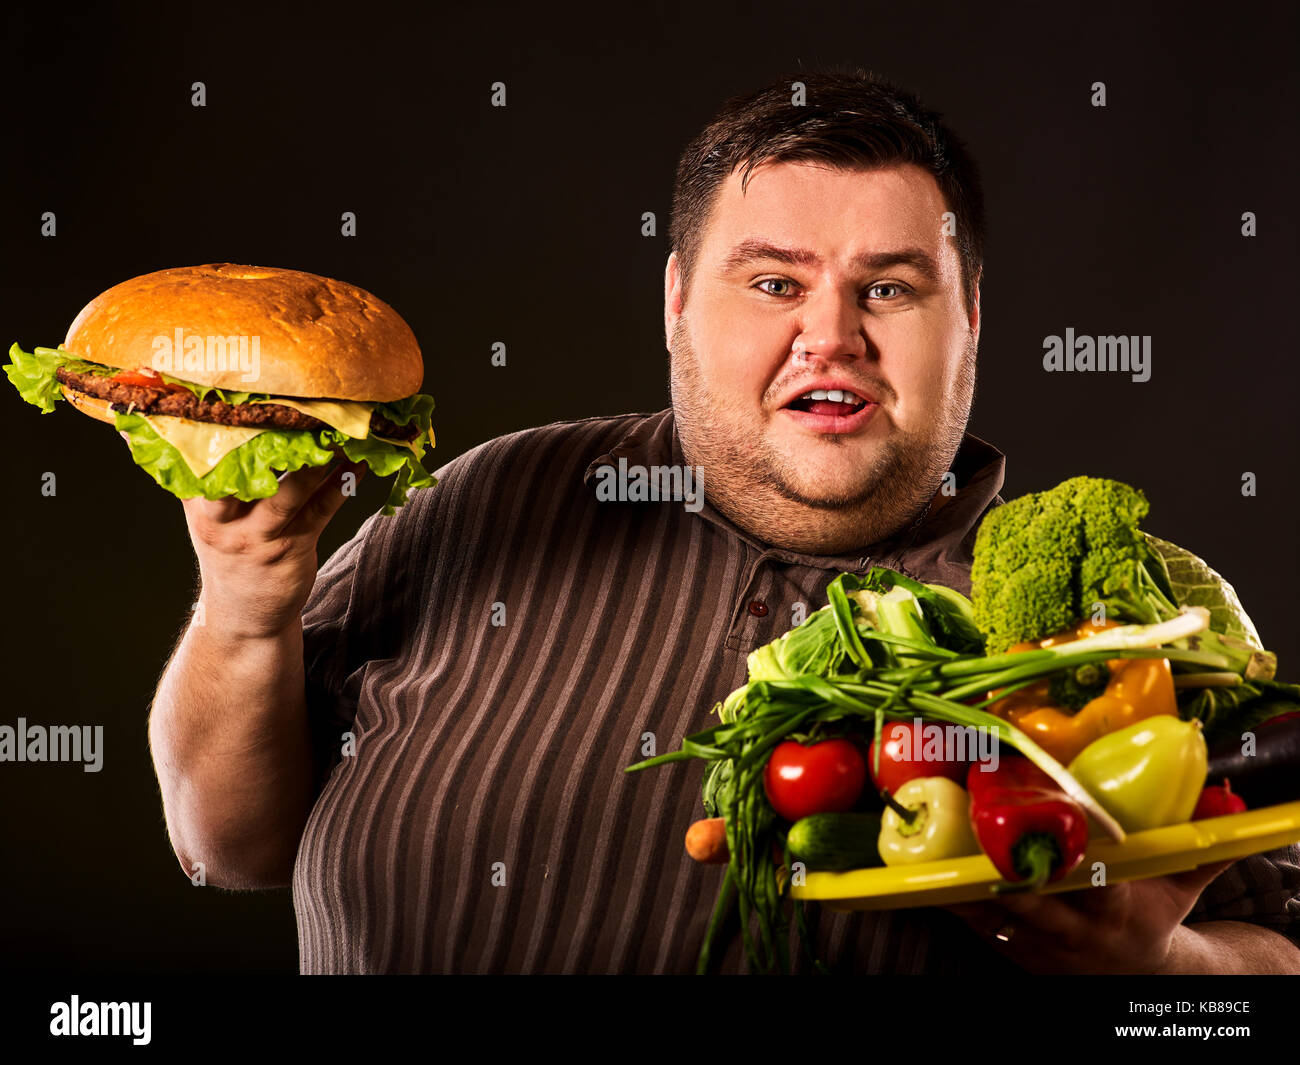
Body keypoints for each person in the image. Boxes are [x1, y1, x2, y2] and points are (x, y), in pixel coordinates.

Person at [148, 69, 1300, 974]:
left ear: (973, 319)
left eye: (889, 287)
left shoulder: (1105, 616)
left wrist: (1162, 963)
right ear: (676, 302)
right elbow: (226, 847)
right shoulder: (498, 493)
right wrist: (247, 613)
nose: (831, 335)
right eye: (773, 283)